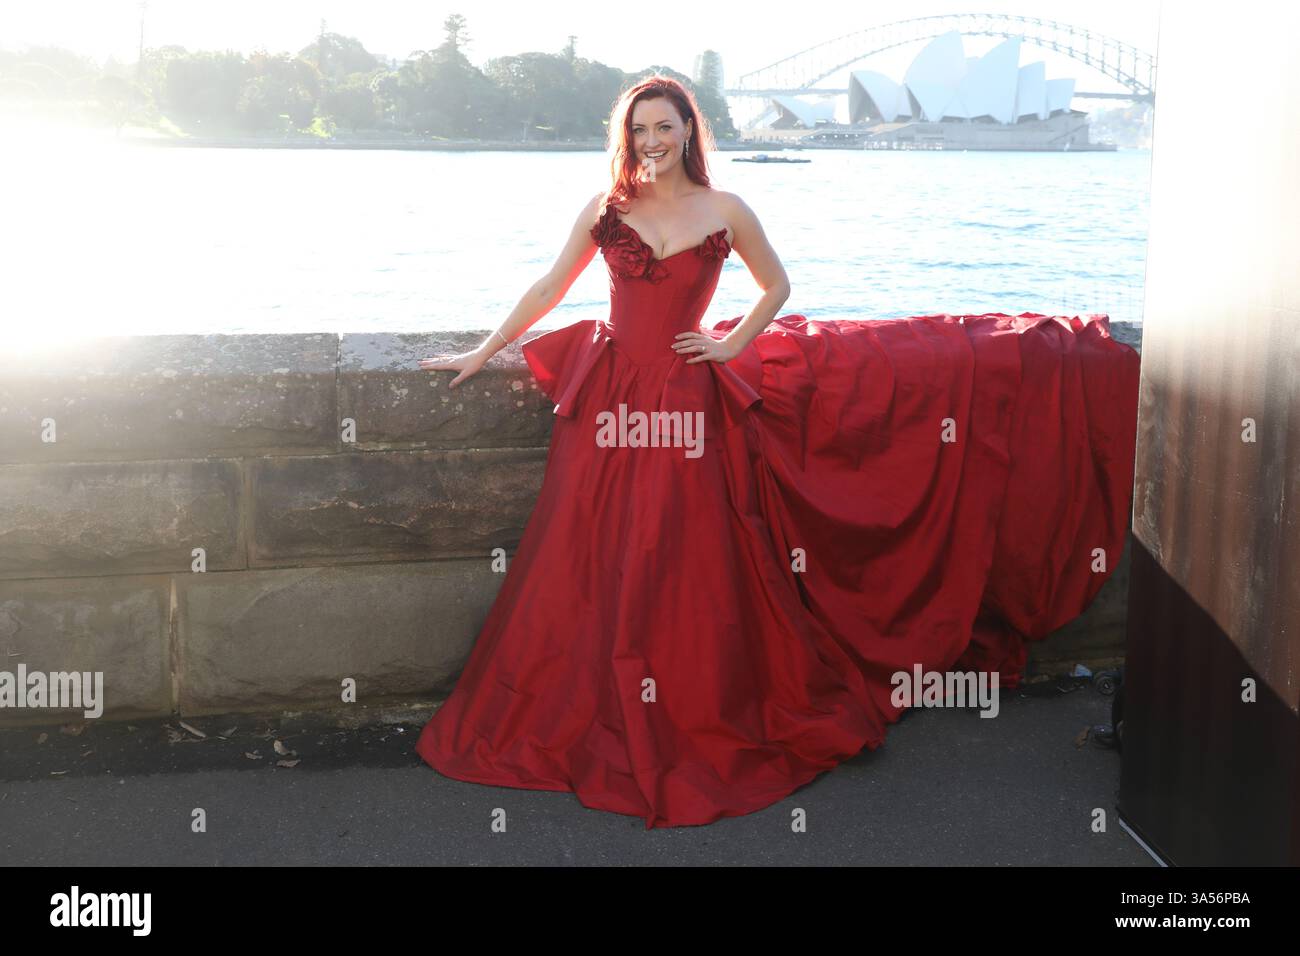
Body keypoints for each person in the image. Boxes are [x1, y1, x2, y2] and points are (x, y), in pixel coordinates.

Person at [414, 75, 1140, 829]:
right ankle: (600, 698)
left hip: (691, 397)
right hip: (615, 403)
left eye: (664, 128)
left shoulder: (727, 210)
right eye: (638, 132)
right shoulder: (608, 210)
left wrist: (728, 345)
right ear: (624, 140)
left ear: (689, 131)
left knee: (682, 554)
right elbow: (549, 289)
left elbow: (777, 285)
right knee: (592, 551)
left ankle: (688, 705)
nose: (652, 142)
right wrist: (484, 349)